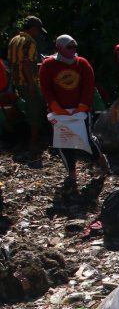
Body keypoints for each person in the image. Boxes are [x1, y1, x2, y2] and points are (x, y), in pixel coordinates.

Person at [40, 35, 108, 185]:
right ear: (59, 48)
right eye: (68, 47)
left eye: (74, 47)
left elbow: (88, 86)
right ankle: (72, 173)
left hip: (80, 110)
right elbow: (46, 88)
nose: (72, 50)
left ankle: (102, 163)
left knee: (87, 139)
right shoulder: (49, 65)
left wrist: (82, 106)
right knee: (64, 142)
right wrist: (55, 105)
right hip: (59, 112)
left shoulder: (82, 64)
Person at [8, 16, 45, 161]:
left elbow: (13, 62)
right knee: (36, 110)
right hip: (27, 81)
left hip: (17, 81)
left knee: (26, 109)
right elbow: (26, 64)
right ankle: (33, 143)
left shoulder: (14, 40)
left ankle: (23, 140)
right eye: (37, 30)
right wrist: (31, 84)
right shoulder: (30, 42)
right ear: (33, 29)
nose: (38, 34)